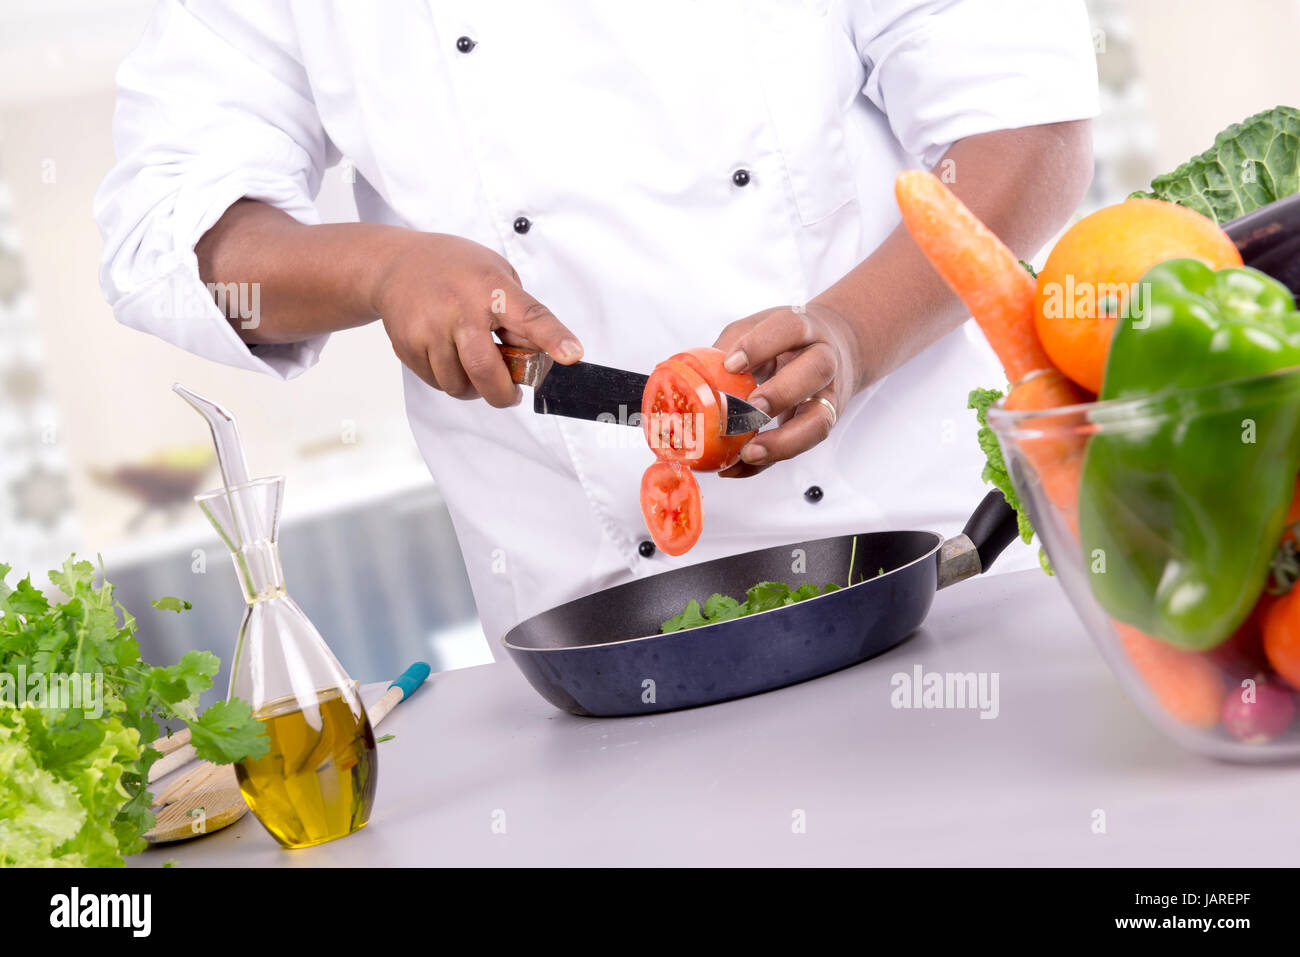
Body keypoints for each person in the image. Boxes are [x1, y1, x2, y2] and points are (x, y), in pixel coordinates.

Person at [95, 0, 1098, 653]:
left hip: (938, 580)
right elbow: (166, 238)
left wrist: (850, 331)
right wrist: (381, 266)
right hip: (596, 637)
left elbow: (1028, 121)